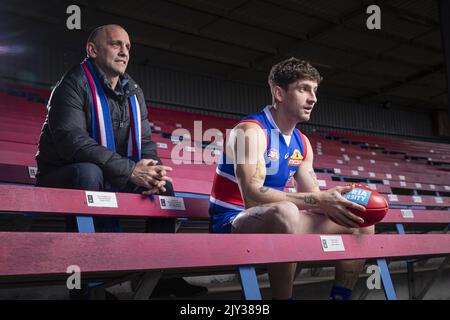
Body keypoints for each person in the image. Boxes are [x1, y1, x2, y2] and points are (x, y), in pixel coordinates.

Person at [35, 24, 206, 298]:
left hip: (110, 171)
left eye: (127, 47)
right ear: (92, 50)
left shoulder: (133, 91)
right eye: (116, 44)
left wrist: (151, 171)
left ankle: (159, 275)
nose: (124, 52)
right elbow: (72, 141)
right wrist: (129, 170)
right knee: (89, 174)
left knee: (164, 187)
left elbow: (146, 143)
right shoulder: (72, 84)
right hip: (62, 174)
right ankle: (95, 279)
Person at [209, 57, 374, 300]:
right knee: (286, 211)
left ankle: (340, 297)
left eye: (315, 90)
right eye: (303, 89)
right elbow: (253, 197)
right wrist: (318, 199)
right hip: (232, 221)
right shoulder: (250, 131)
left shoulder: (302, 143)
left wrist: (336, 200)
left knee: (360, 217)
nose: (313, 98)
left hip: (279, 219)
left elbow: (314, 197)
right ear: (279, 93)